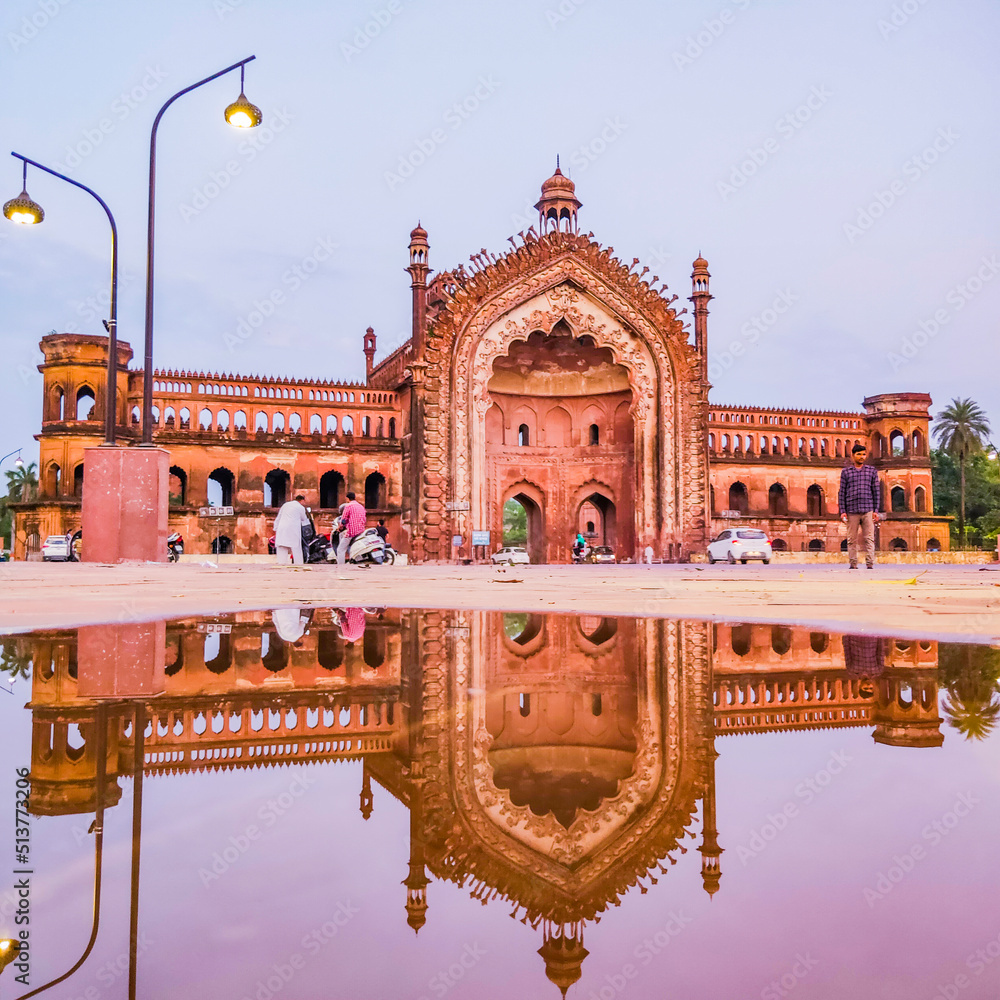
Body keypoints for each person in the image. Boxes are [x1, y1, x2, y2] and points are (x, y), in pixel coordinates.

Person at [838, 443, 881, 569]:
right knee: (851, 539)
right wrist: (842, 511)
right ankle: (853, 564)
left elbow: (876, 491)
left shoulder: (871, 471)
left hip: (868, 508)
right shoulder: (846, 472)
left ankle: (870, 563)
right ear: (853, 456)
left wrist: (876, 510)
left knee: (869, 538)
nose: (862, 457)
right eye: (859, 454)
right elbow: (842, 492)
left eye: (863, 454)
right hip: (851, 510)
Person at [273, 493, 310, 565]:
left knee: (282, 545)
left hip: (282, 527)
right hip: (294, 529)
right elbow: (304, 518)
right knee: (296, 547)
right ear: (302, 500)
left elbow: (279, 516)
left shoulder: (285, 505)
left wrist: (275, 528)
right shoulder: (300, 507)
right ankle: (298, 563)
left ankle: (281, 562)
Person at [337, 491, 367, 564]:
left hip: (352, 531)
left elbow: (344, 519)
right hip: (361, 530)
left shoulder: (348, 506)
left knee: (340, 549)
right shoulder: (361, 506)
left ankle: (341, 566)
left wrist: (340, 527)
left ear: (347, 499)